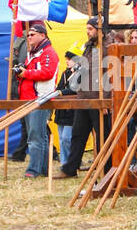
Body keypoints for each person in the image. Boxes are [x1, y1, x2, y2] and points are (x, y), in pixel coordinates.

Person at [56, 18, 104, 179]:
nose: (88, 31)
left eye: (91, 28)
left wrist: (108, 99)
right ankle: (70, 168)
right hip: (84, 96)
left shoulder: (109, 46)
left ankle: (107, 168)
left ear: (99, 29)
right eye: (87, 28)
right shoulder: (89, 46)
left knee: (104, 136)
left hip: (100, 97)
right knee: (78, 134)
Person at [15, 21, 59, 178]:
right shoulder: (33, 53)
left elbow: (47, 72)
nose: (29, 37)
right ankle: (44, 169)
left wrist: (25, 73)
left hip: (40, 99)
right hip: (30, 98)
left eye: (32, 34)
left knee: (35, 136)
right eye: (28, 35)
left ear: (43, 35)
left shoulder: (48, 53)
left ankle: (34, 170)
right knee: (39, 136)